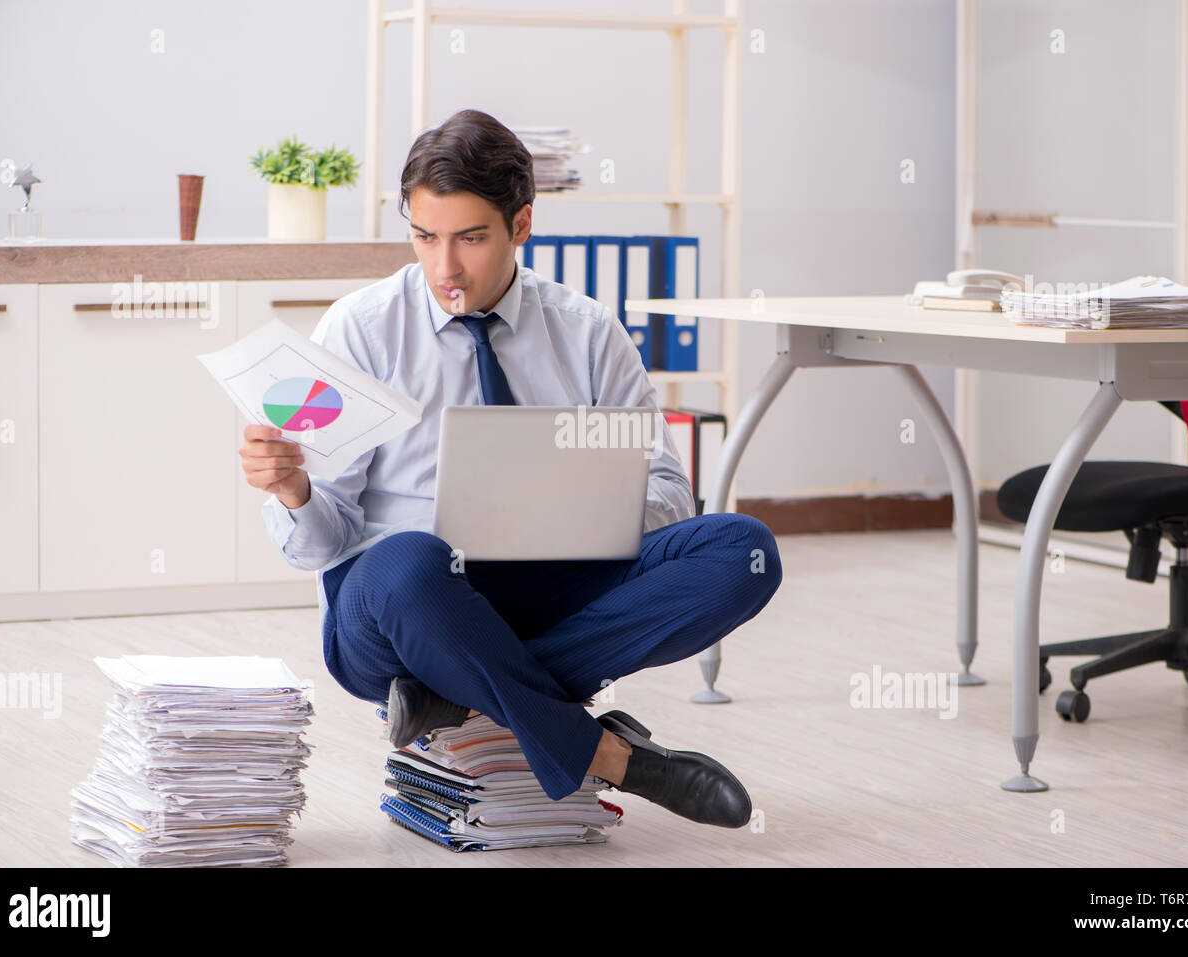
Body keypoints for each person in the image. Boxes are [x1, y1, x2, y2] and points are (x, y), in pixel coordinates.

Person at [239, 108, 782, 829]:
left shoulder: (588, 333)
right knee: (409, 560)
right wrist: (294, 489)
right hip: (398, 613)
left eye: (470, 238)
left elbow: (670, 493)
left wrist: (592, 513)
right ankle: (616, 757)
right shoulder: (359, 329)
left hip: (548, 587)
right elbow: (317, 544)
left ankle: (450, 691)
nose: (444, 266)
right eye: (424, 237)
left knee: (743, 551)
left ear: (521, 225)